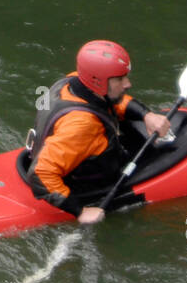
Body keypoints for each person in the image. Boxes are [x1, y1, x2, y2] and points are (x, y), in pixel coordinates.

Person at [25, 40, 173, 225]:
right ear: (97, 81)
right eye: (120, 79)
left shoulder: (70, 83)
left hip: (61, 153)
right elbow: (39, 174)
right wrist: (79, 211)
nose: (128, 83)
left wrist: (146, 115)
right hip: (83, 184)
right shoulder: (82, 125)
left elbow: (108, 103)